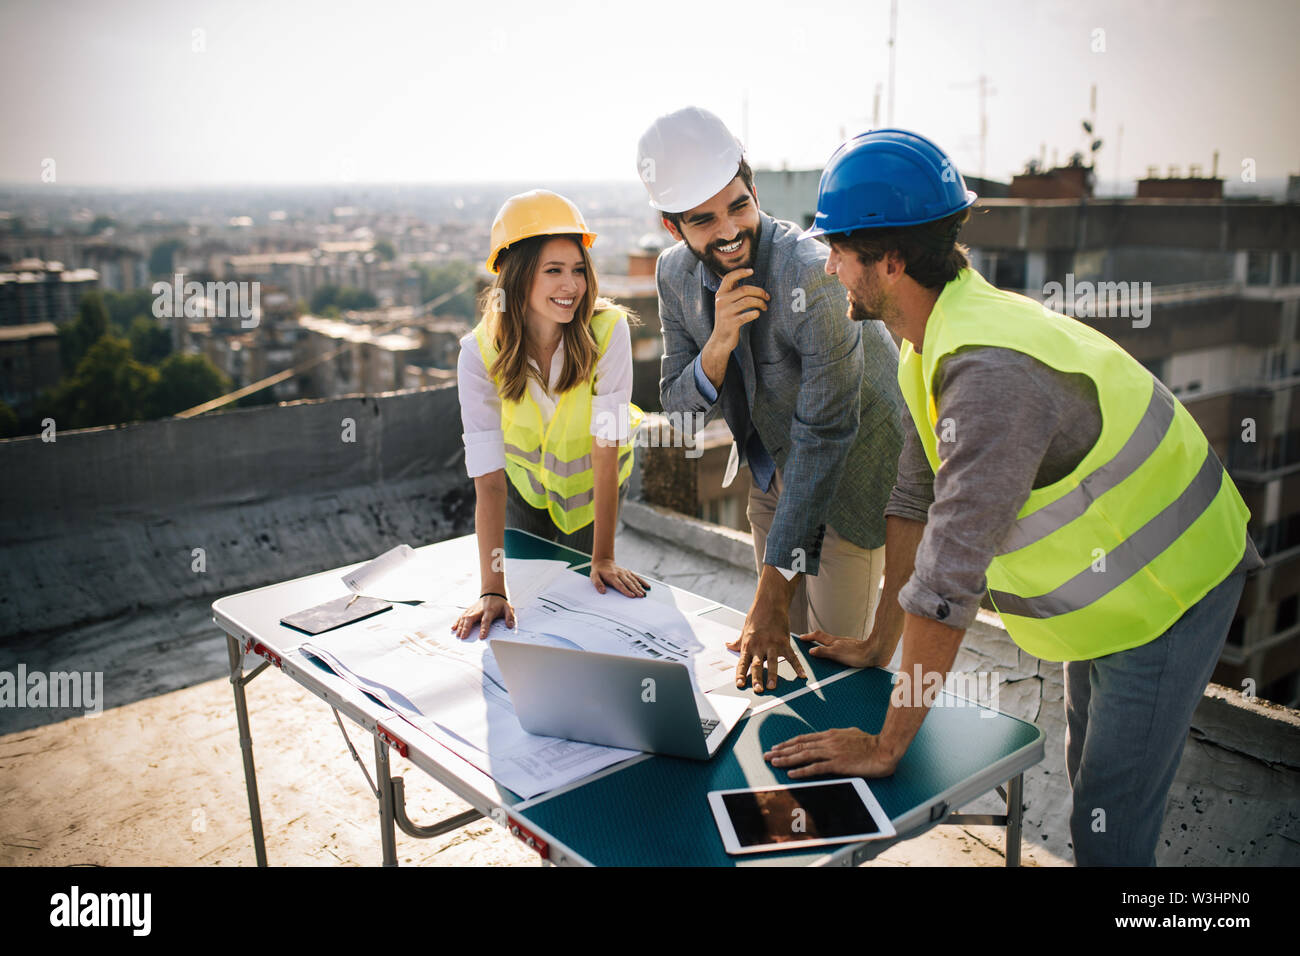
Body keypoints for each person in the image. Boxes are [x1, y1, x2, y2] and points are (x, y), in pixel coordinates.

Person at [764, 128, 1265, 865]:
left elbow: (949, 577)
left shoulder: (989, 374)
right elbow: (913, 492)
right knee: (1087, 781)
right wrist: (878, 642)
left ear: (892, 260)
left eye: (839, 249)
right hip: (1113, 587)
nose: (829, 265)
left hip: (1172, 586)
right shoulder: (932, 334)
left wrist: (887, 745)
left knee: (1109, 825)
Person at [636, 106, 906, 694]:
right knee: (782, 651)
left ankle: (855, 774)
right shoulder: (674, 276)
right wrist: (718, 342)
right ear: (672, 227)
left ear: (755, 190)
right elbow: (678, 412)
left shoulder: (814, 275)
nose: (729, 229)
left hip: (851, 479)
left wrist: (768, 591)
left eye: (739, 205)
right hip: (767, 472)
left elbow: (825, 437)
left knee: (837, 670)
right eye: (704, 220)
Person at [452, 189, 648, 640]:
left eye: (578, 270)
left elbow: (606, 447)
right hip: (523, 490)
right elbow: (488, 477)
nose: (572, 286)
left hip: (590, 496)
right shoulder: (478, 353)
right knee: (530, 609)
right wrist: (491, 590)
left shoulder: (608, 330)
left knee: (581, 606)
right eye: (554, 271)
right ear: (517, 276)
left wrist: (603, 558)